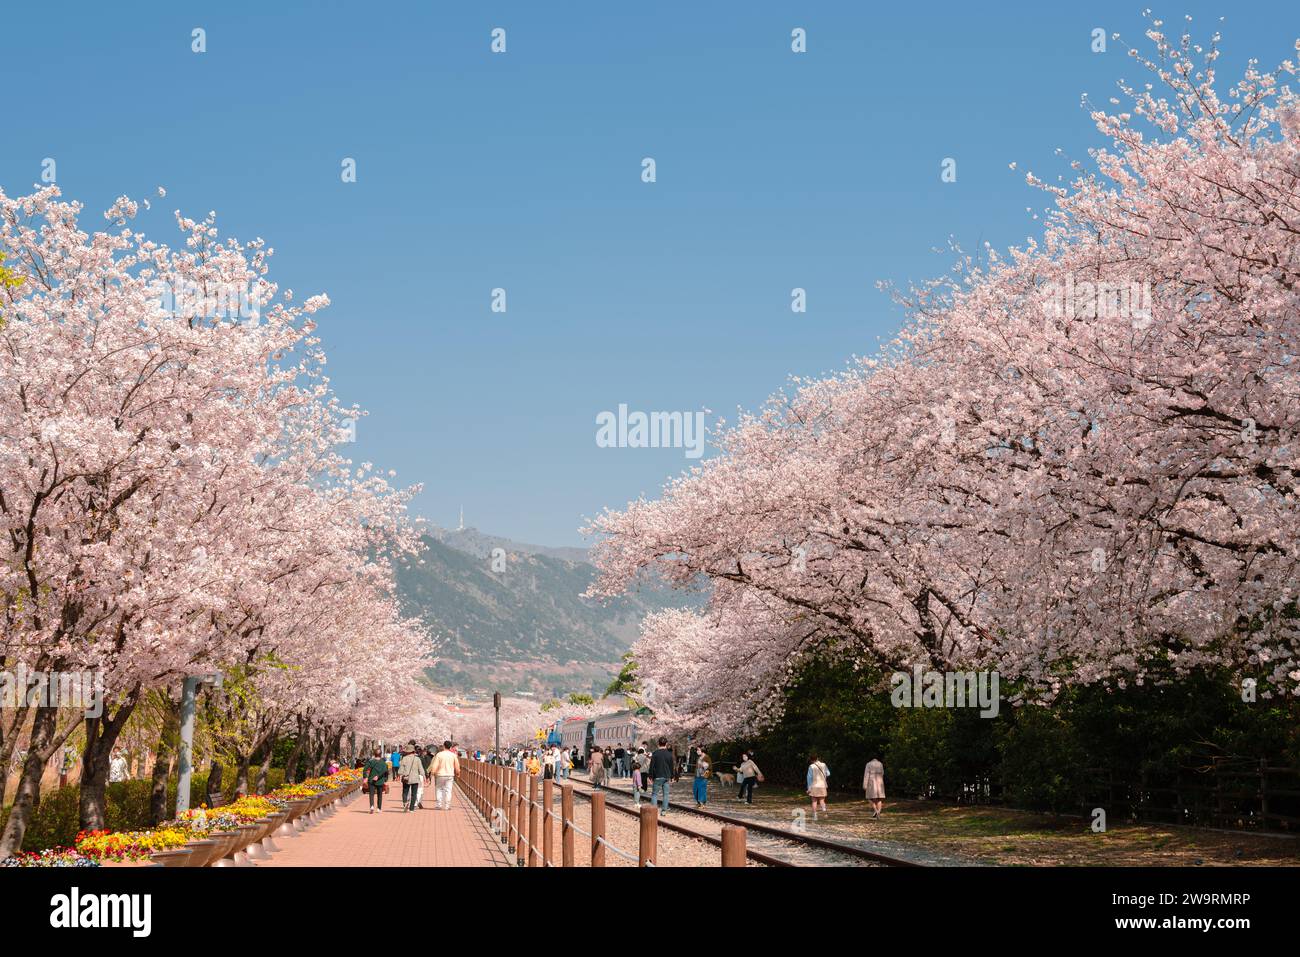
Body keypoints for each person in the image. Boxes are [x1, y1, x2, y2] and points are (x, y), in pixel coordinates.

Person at [430, 740, 460, 810]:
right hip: (450, 774)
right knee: (448, 790)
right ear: (450, 747)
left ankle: (439, 805)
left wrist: (433, 772)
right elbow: (457, 766)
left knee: (439, 789)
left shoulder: (439, 754)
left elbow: (435, 765)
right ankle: (447, 805)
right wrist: (458, 773)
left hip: (440, 774)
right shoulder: (453, 755)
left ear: (444, 746)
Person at [648, 737, 674, 816]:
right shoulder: (669, 754)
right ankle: (663, 811)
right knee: (665, 794)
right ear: (666, 744)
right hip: (666, 776)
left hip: (657, 776)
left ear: (658, 744)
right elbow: (671, 767)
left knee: (655, 794)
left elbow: (651, 766)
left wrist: (650, 777)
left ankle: (654, 812)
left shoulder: (655, 753)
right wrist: (672, 777)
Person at [398, 745, 425, 812]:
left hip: (406, 778)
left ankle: (405, 802)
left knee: (405, 792)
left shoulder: (404, 759)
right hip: (415, 778)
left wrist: (400, 774)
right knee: (414, 793)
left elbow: (400, 771)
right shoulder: (417, 759)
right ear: (413, 751)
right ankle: (411, 809)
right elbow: (421, 769)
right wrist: (424, 776)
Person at [364, 748, 389, 813]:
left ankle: (371, 806)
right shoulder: (383, 763)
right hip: (380, 780)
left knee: (371, 794)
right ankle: (379, 808)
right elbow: (386, 772)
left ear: (374, 754)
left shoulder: (371, 761)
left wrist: (365, 777)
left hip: (371, 780)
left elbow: (365, 769)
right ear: (381, 754)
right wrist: (385, 779)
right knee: (379, 794)